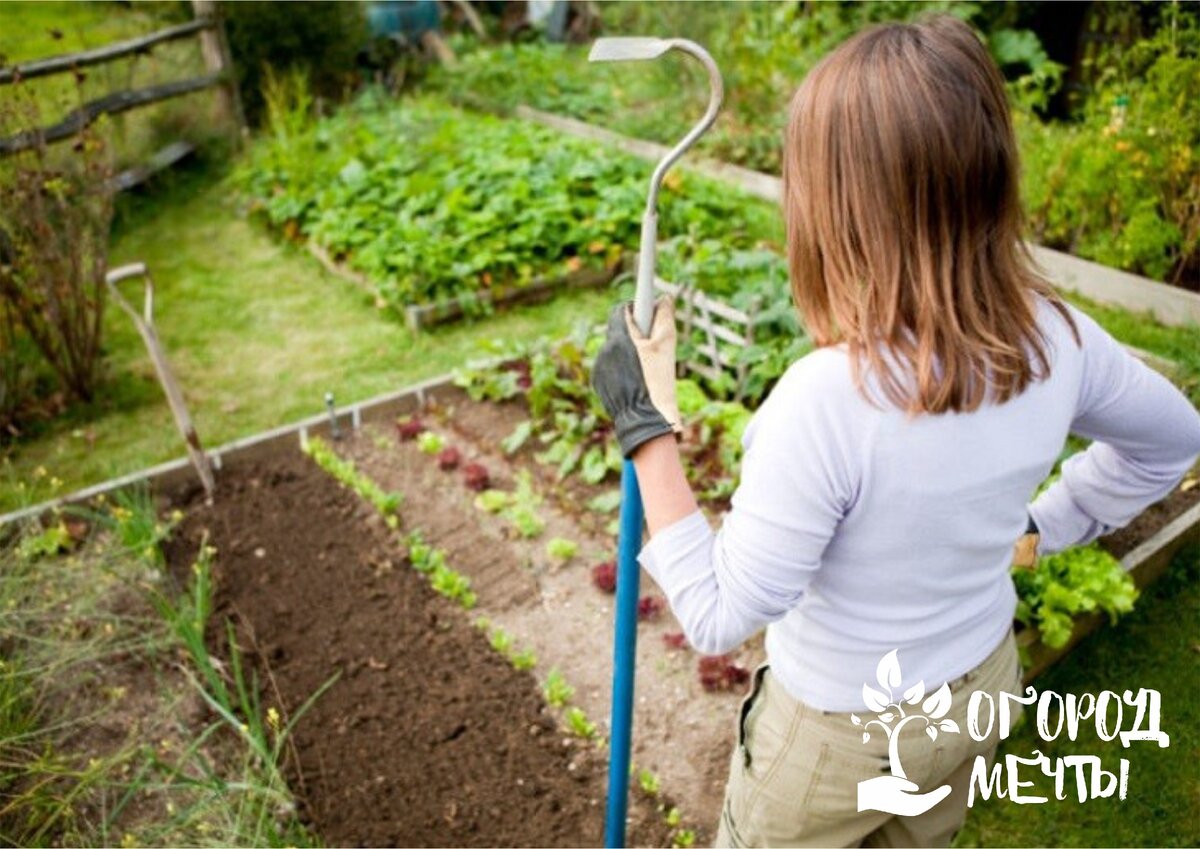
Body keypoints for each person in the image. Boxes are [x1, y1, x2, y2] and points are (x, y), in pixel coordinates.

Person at [590, 14, 1200, 849]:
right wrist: (1038, 528)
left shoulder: (825, 402)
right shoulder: (1060, 340)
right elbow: (1174, 440)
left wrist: (644, 426)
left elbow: (720, 611)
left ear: (841, 207)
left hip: (838, 733)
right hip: (976, 690)